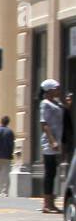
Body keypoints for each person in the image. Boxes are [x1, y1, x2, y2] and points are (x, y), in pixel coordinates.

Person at [39, 79, 63, 213]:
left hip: (57, 143)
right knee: (50, 173)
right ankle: (47, 204)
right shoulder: (45, 104)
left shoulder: (56, 103)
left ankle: (51, 203)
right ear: (49, 90)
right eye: (56, 88)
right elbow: (44, 124)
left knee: (53, 173)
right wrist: (52, 141)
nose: (59, 91)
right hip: (49, 144)